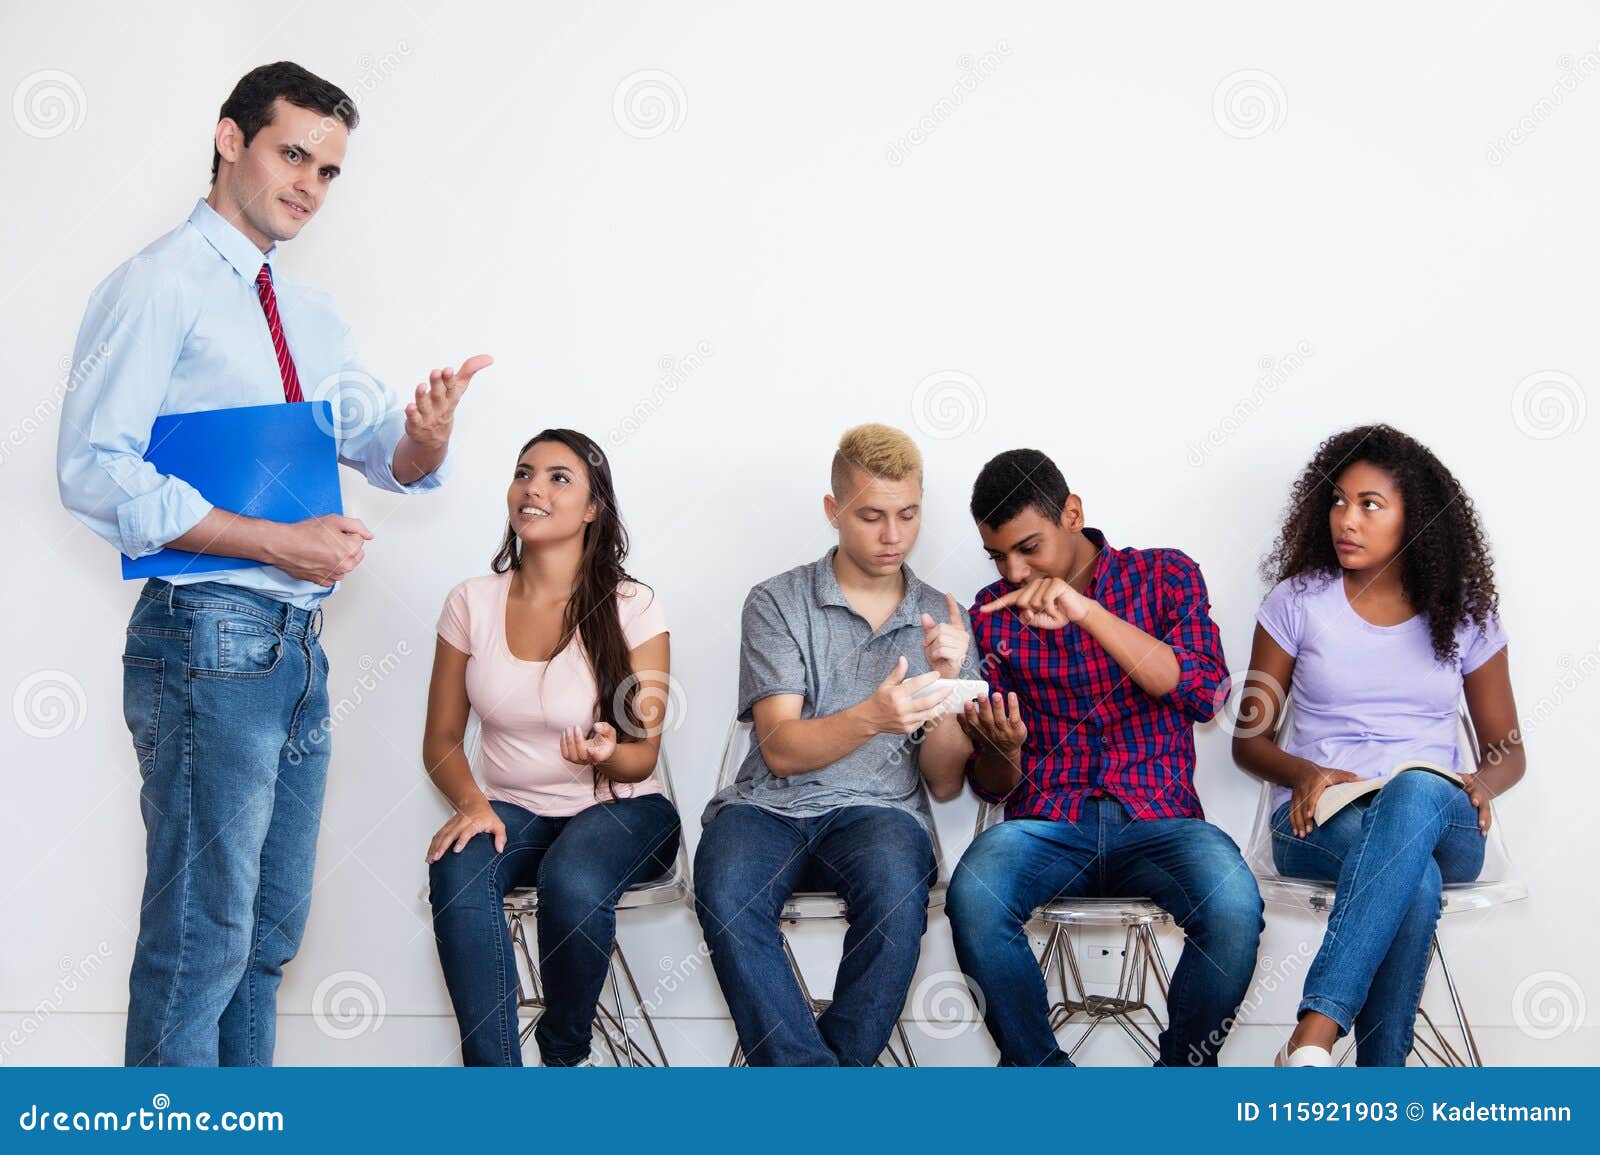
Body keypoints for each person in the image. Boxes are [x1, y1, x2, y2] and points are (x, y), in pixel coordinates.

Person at [57, 62, 491, 1067]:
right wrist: (273, 540)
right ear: (229, 139)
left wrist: (423, 436)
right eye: (293, 154)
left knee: (262, 936)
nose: (309, 184)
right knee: (201, 933)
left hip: (294, 647)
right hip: (205, 634)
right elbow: (90, 467)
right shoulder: (157, 283)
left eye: (329, 170)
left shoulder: (308, 313)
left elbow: (383, 448)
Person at [947, 448, 1263, 1067]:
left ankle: (1181, 1080)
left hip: (1160, 821)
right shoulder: (993, 615)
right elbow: (991, 787)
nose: (1014, 571)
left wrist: (1085, 612)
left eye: (1028, 547)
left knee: (1231, 903)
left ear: (1072, 513)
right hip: (1047, 823)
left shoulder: (1165, 575)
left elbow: (1203, 693)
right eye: (998, 555)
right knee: (976, 892)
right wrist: (1001, 748)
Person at [1231, 424, 1524, 1066]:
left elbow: (1507, 747)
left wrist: (1481, 782)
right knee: (1411, 880)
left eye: (1370, 505)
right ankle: (1379, 1086)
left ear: (1414, 517)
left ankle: (1312, 1034)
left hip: (1439, 814)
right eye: (1337, 501)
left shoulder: (1463, 611)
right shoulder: (1295, 604)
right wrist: (1305, 771)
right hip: (1320, 817)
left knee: (1417, 787)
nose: (1347, 520)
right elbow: (1249, 741)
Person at [692, 423, 980, 1066]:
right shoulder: (777, 601)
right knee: (726, 891)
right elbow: (781, 751)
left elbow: (943, 782)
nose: (892, 536)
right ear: (833, 511)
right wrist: (875, 716)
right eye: (871, 516)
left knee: (898, 901)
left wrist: (950, 688)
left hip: (881, 814)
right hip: (767, 807)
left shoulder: (943, 617)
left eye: (907, 515)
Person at [424, 430, 679, 1066]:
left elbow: (642, 757)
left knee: (572, 877)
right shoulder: (471, 603)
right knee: (457, 869)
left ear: (594, 508)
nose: (533, 488)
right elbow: (441, 741)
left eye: (559, 477)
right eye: (524, 473)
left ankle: (564, 1052)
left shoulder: (633, 606)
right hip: (514, 808)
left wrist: (604, 755)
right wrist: (472, 804)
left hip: (624, 806)